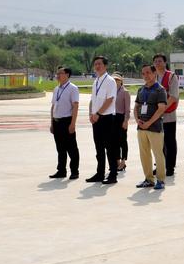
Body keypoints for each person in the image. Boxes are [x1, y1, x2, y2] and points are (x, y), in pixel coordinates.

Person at [133, 64, 168, 189]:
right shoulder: (141, 90)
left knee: (158, 154)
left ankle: (161, 180)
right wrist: (137, 120)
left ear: (154, 74)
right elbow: (136, 107)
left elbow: (161, 109)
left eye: (148, 72)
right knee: (144, 154)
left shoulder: (160, 89)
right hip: (141, 128)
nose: (145, 75)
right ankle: (148, 179)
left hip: (155, 128)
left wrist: (149, 122)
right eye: (143, 73)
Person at [86, 56, 119, 184]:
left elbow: (110, 99)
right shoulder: (96, 81)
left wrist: (98, 113)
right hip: (96, 118)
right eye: (95, 64)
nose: (97, 66)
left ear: (105, 66)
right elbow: (93, 100)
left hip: (107, 118)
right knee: (98, 147)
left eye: (99, 64)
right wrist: (92, 114)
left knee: (109, 148)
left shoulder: (110, 81)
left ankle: (113, 174)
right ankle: (100, 173)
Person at [48, 66, 80, 180]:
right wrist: (52, 122)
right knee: (60, 148)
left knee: (71, 148)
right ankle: (61, 170)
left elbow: (75, 106)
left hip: (67, 121)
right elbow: (53, 106)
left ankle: (74, 171)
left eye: (60, 73)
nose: (57, 75)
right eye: (57, 73)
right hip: (57, 122)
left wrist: (73, 124)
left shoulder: (73, 88)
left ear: (67, 75)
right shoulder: (56, 89)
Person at [152, 54, 179, 176]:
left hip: (168, 114)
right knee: (158, 143)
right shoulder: (153, 77)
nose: (157, 63)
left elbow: (173, 97)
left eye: (160, 61)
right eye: (155, 61)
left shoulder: (171, 76)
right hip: (156, 116)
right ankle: (160, 166)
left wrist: (161, 110)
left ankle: (170, 167)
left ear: (165, 62)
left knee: (170, 141)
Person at [111, 73, 131, 173]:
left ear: (121, 80)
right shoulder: (111, 92)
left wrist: (126, 121)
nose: (115, 81)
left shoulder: (125, 92)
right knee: (114, 141)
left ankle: (123, 161)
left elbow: (127, 109)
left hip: (121, 118)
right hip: (112, 118)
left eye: (117, 79)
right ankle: (117, 161)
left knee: (122, 141)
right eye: (113, 79)